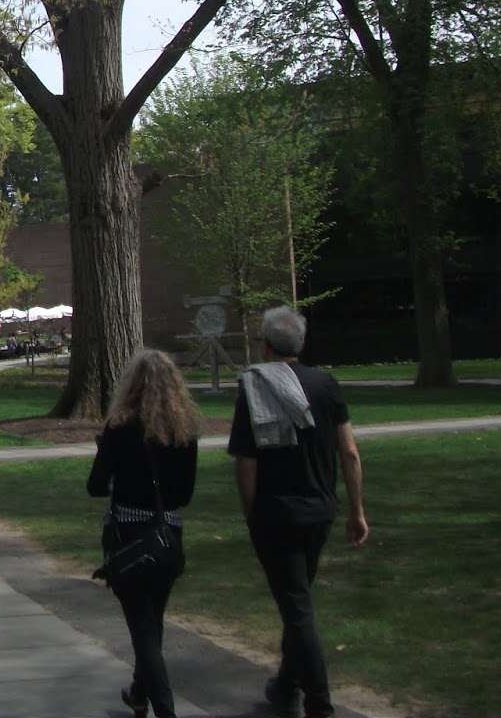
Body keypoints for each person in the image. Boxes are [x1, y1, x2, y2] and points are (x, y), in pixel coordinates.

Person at [228, 306, 368, 718]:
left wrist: (251, 512)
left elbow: (247, 462)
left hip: (277, 514)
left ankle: (319, 705)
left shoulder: (254, 390)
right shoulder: (326, 386)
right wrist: (356, 510)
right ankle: (286, 687)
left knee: (297, 610)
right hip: (320, 511)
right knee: (297, 601)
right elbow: (350, 452)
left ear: (265, 346)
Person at [87, 349, 199, 718]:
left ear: (131, 385)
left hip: (127, 538)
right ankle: (139, 691)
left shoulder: (119, 428)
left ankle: (164, 708)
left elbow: (95, 485)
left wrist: (112, 464)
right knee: (153, 619)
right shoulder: (184, 432)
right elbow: (184, 495)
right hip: (167, 536)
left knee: (143, 628)